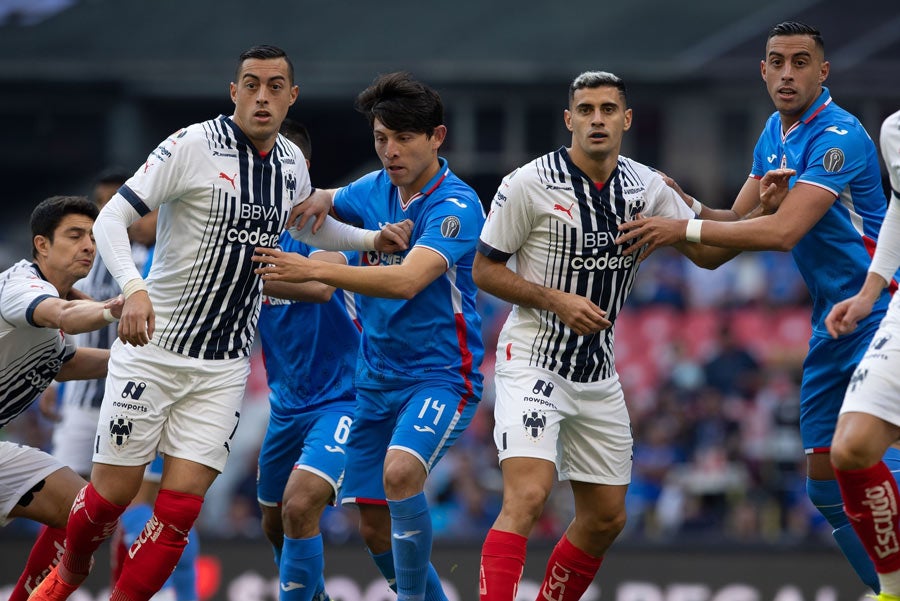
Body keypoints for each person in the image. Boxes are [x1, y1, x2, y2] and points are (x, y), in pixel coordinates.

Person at [30, 45, 404, 601]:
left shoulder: (289, 164)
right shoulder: (192, 144)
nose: (262, 95)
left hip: (222, 367)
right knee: (109, 500)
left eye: (275, 86)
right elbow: (113, 217)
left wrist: (370, 239)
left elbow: (309, 230)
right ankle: (71, 571)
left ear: (291, 97)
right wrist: (134, 288)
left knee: (177, 514)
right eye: (251, 84)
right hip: (156, 350)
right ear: (234, 92)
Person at [616, 21, 894, 591]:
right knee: (823, 485)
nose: (787, 73)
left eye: (800, 62)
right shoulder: (773, 131)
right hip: (831, 326)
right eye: (777, 62)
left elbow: (781, 233)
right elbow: (727, 233)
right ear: (762, 70)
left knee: (868, 460)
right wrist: (677, 204)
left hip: (880, 312)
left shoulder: (839, 135)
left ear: (824, 71)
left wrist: (681, 226)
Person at [471, 70, 743, 601]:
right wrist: (557, 300)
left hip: (597, 373)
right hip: (533, 358)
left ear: (627, 119)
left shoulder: (648, 186)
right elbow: (485, 271)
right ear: (569, 119)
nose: (598, 119)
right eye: (587, 109)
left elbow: (711, 252)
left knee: (605, 519)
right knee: (528, 495)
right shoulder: (527, 183)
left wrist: (761, 207)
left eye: (609, 109)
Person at [253, 71, 485, 601]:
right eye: (381, 138)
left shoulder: (456, 206)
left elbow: (405, 282)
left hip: (442, 377)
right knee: (375, 529)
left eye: (404, 138)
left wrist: (315, 270)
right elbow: (335, 200)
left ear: (436, 138)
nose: (391, 150)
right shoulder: (373, 188)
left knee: (401, 473)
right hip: (375, 382)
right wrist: (320, 199)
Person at [1, 195, 123, 601]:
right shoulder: (23, 288)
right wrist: (122, 307)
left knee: (85, 512)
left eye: (92, 236)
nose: (89, 245)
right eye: (75, 235)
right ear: (42, 245)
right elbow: (67, 316)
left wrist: (144, 361)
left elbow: (65, 362)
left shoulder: (56, 302)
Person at [255, 119, 355, 601]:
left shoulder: (330, 223)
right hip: (285, 404)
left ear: (303, 167)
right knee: (273, 521)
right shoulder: (248, 230)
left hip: (344, 398)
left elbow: (321, 286)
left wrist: (236, 277)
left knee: (299, 508)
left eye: (280, 159)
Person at [825, 108, 900, 599]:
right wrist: (871, 292)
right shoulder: (895, 130)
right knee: (851, 448)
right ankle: (893, 589)